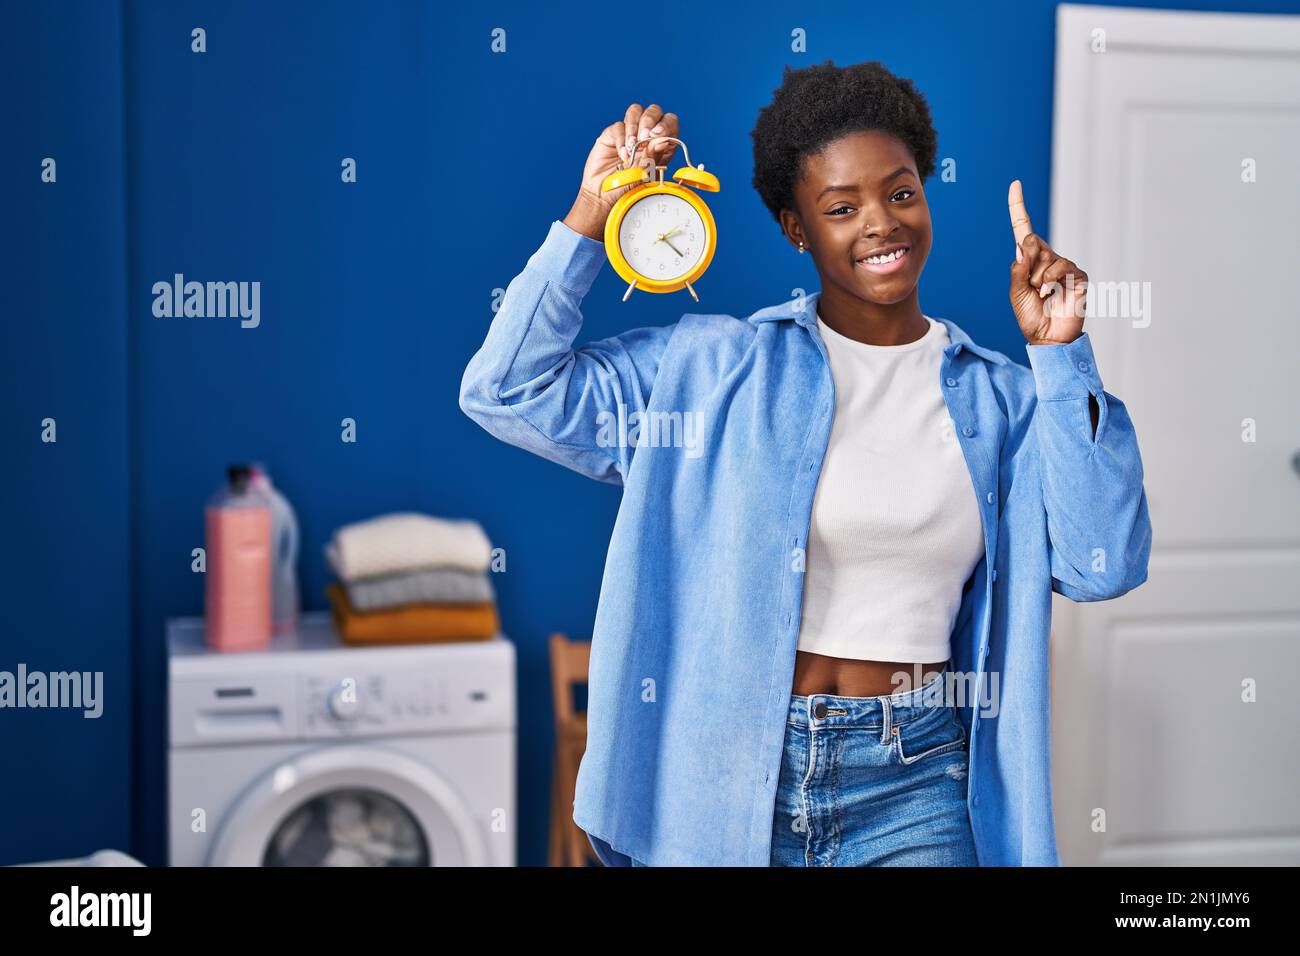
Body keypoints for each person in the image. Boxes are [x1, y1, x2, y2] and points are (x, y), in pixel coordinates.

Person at [459, 60, 1152, 866]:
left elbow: (1102, 563)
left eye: (900, 193)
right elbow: (506, 389)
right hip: (719, 781)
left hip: (914, 781)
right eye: (841, 207)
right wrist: (590, 215)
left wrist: (1060, 356)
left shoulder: (1004, 403)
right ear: (797, 228)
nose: (881, 224)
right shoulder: (712, 372)